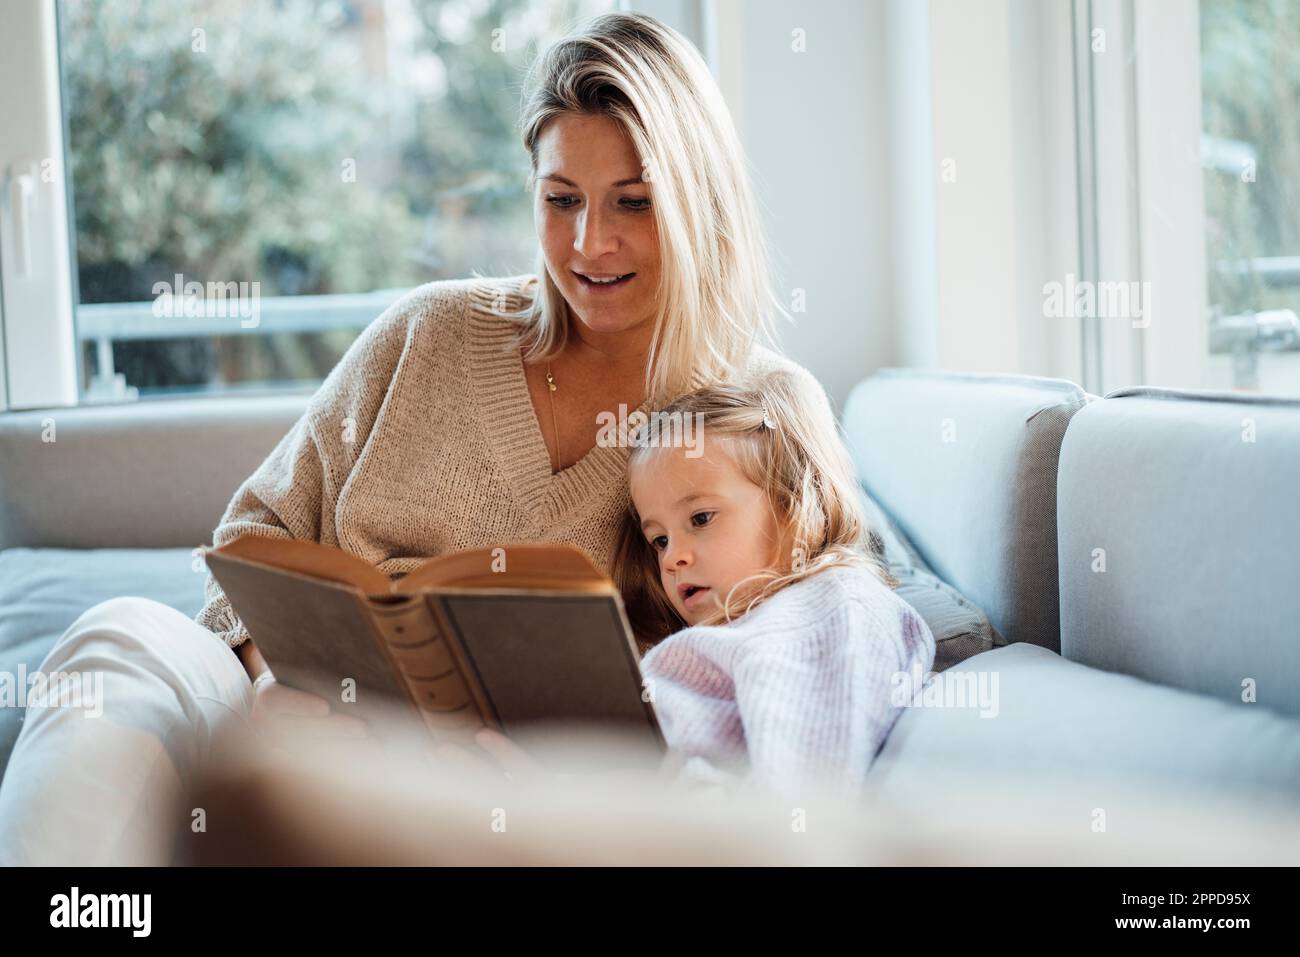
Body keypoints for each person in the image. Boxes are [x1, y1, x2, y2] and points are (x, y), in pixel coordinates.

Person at [0, 12, 841, 865]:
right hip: (305, 717)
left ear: (701, 200)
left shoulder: (751, 405)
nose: (590, 243)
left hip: (513, 794)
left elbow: (811, 609)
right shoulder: (429, 331)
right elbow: (251, 539)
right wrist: (265, 680)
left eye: (634, 202)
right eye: (561, 200)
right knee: (121, 638)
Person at [612, 370, 937, 799]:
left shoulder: (826, 605)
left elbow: (805, 785)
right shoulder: (742, 623)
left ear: (792, 508)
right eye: (660, 540)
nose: (672, 558)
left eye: (701, 518)